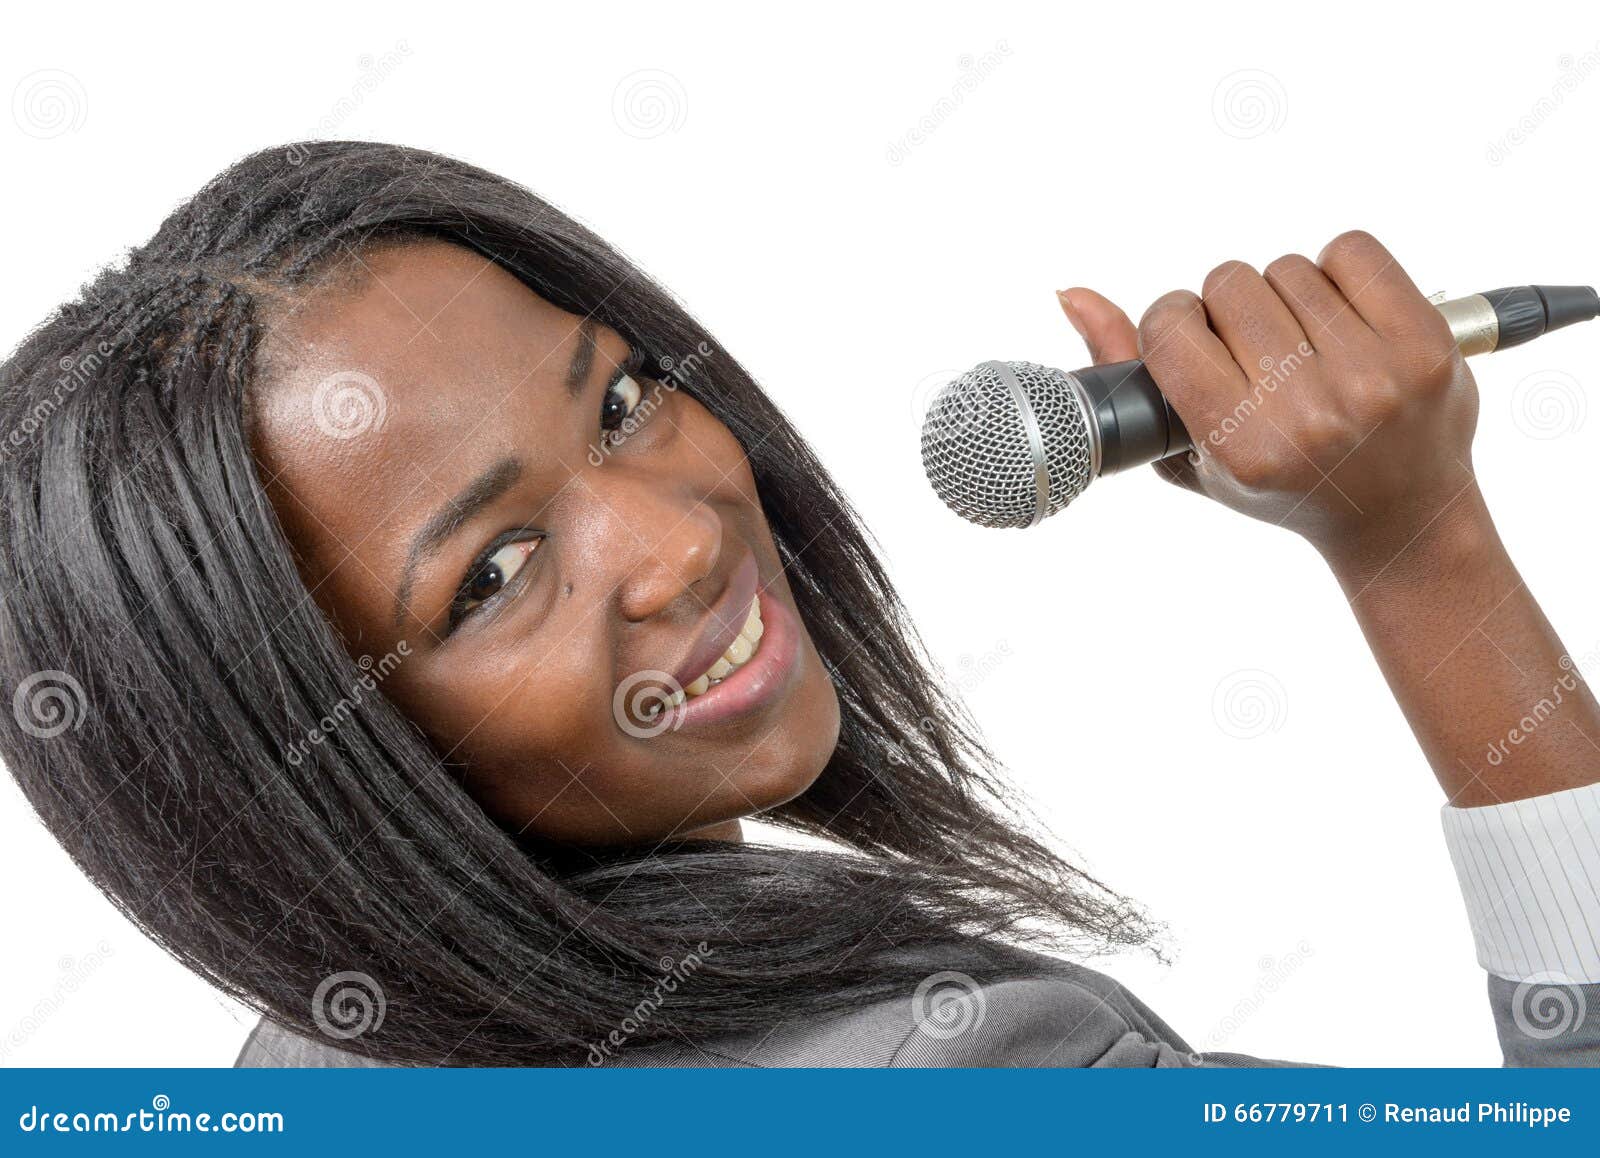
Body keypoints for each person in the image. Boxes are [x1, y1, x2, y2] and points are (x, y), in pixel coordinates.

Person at [1, 142, 1594, 1068]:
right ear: (304, 769)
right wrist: (1419, 546)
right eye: (491, 574)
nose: (677, 545)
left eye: (620, 401)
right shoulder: (967, 1074)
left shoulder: (308, 1068)